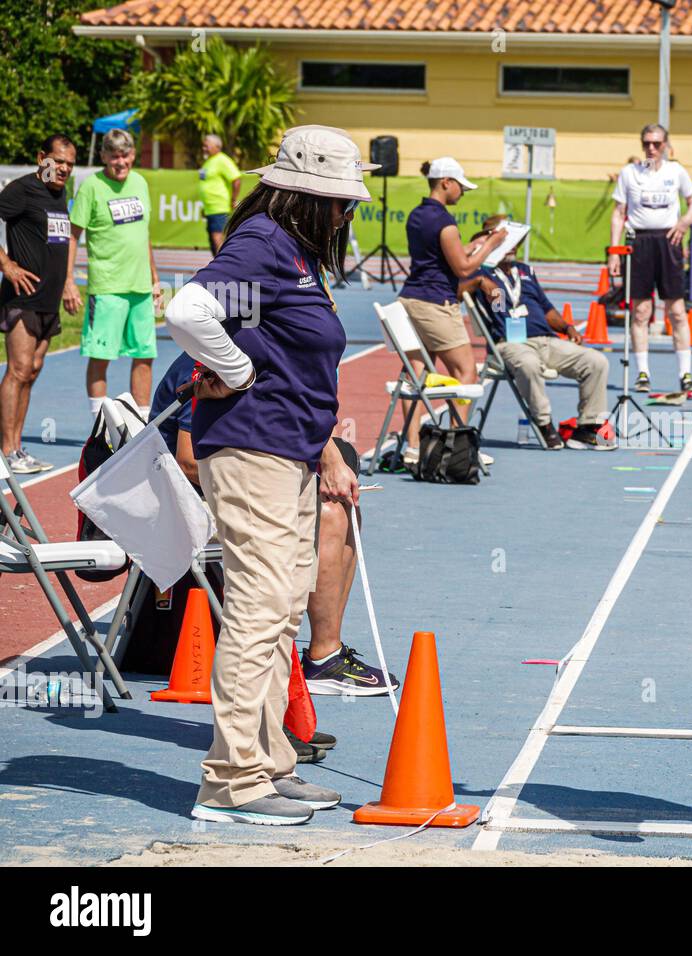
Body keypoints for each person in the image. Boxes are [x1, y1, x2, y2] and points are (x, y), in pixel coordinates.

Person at [166, 124, 378, 826]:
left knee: (282, 609)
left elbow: (283, 350)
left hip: (288, 450)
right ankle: (230, 781)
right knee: (259, 611)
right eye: (341, 203)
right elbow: (187, 310)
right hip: (251, 448)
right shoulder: (262, 242)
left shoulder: (291, 252)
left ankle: (268, 763)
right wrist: (234, 371)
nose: (347, 215)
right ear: (308, 197)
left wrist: (325, 449)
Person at [149, 353, 398, 704]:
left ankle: (324, 653)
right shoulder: (211, 361)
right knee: (329, 515)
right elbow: (189, 461)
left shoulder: (269, 356)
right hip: (186, 503)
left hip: (228, 489)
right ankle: (322, 657)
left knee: (342, 505)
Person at [462, 228, 613, 451]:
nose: (512, 246)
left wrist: (567, 327)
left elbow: (546, 307)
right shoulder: (480, 272)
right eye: (504, 242)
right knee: (529, 363)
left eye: (513, 241)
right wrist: (478, 280)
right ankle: (543, 423)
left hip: (546, 340)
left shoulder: (525, 271)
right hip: (509, 343)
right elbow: (456, 292)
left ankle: (588, 427)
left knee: (596, 361)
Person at [397, 157, 504, 467]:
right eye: (461, 186)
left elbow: (438, 256)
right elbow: (464, 268)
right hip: (436, 304)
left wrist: (473, 245)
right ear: (446, 182)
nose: (463, 192)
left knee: (414, 374)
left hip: (409, 299)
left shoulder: (417, 214)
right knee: (465, 373)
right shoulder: (444, 221)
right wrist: (491, 244)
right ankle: (458, 447)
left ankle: (413, 446)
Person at [64, 128, 163, 422]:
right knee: (101, 356)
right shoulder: (91, 187)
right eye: (114, 156)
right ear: (104, 156)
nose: (120, 162)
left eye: (125, 155)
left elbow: (143, 234)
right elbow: (73, 236)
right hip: (107, 288)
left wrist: (155, 278)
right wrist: (69, 281)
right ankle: (100, 425)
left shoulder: (140, 182)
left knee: (144, 355)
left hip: (140, 288)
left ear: (133, 155)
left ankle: (141, 425)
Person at [0, 134, 76, 474]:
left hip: (48, 300)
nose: (64, 168)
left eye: (70, 164)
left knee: (31, 371)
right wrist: (7, 265)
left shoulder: (59, 194)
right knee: (18, 370)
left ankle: (16, 449)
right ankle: (6, 451)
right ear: (41, 157)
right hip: (23, 298)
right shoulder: (22, 190)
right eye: (58, 161)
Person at [609, 124, 692, 394]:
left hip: (668, 241)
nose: (651, 148)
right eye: (647, 143)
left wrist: (684, 223)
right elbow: (618, 213)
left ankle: (685, 374)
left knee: (677, 311)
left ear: (665, 145)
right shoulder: (630, 173)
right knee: (641, 312)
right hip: (639, 242)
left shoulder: (676, 171)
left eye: (656, 143)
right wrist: (614, 251)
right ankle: (642, 373)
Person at [198, 134, 242, 255]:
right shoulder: (209, 161)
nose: (204, 148)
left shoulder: (223, 160)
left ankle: (224, 264)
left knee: (217, 238)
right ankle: (218, 262)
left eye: (206, 146)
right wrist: (205, 207)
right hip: (210, 208)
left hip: (219, 207)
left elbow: (236, 179)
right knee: (213, 241)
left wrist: (233, 199)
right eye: (203, 146)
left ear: (217, 146)